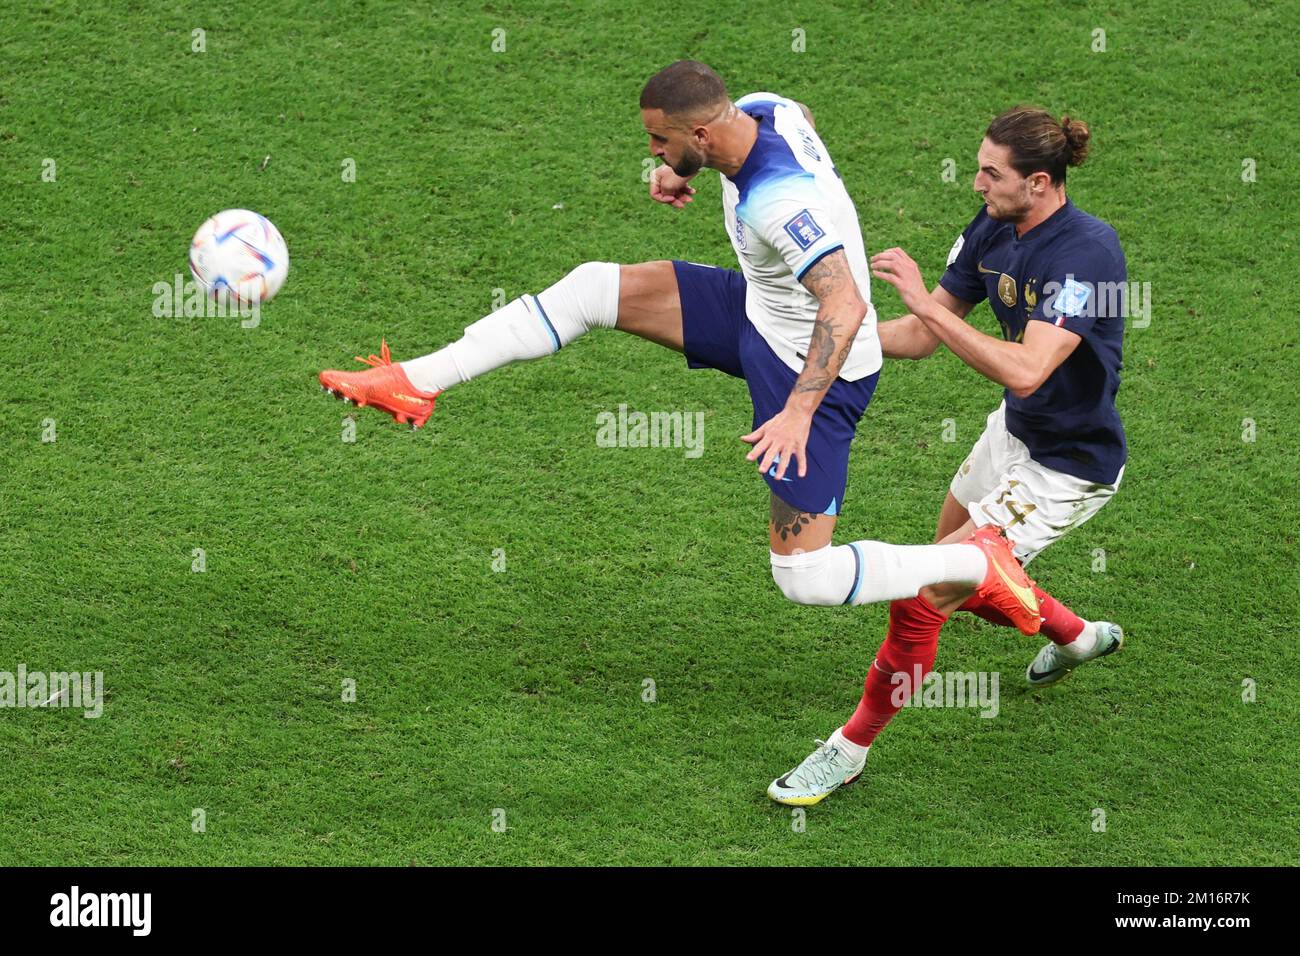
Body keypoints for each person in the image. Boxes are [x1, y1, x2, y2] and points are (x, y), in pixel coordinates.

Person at [767, 106, 1128, 806]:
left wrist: (923, 308)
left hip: (1067, 466)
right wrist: (818, 337)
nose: (977, 183)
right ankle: (1077, 636)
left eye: (992, 172)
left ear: (1041, 182)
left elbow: (1028, 368)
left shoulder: (1089, 253)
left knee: (926, 593)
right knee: (953, 573)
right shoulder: (996, 225)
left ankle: (847, 751)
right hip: (1013, 433)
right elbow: (918, 334)